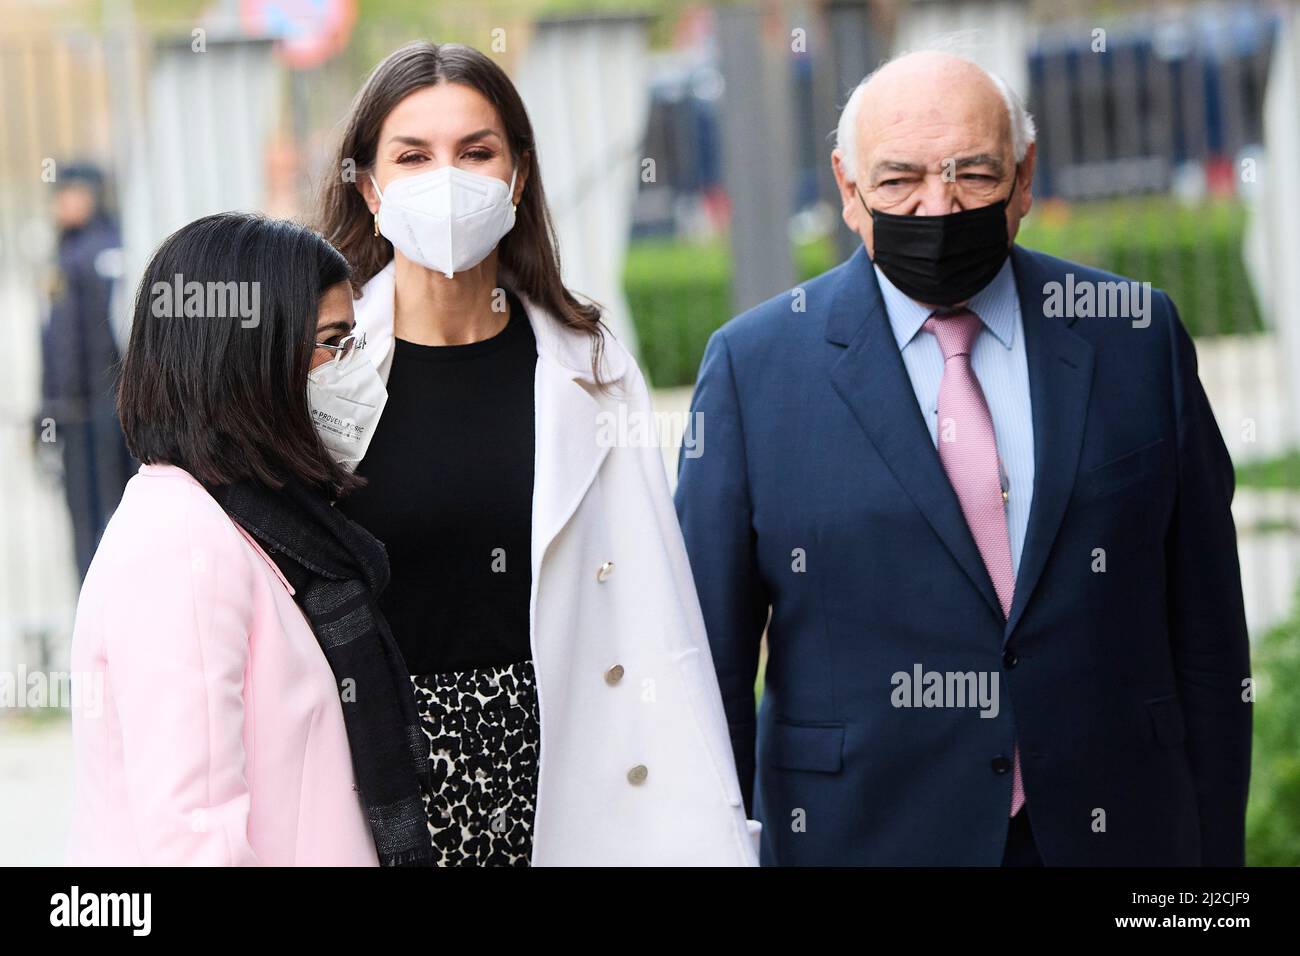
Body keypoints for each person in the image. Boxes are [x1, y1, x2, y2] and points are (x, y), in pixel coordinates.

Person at [675, 50, 1251, 866]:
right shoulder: (752, 370)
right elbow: (711, 669)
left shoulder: (1134, 336)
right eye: (898, 179)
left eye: (972, 175)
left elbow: (1209, 637)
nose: (936, 207)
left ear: (1024, 178)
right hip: (863, 837)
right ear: (846, 189)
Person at [319, 41, 758, 865]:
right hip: (377, 779)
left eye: (474, 152)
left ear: (517, 178)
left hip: (569, 768)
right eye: (413, 156)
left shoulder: (589, 364)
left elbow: (656, 604)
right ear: (369, 188)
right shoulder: (322, 371)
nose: (445, 177)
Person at [67, 213, 431, 866]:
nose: (355, 369)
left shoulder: (266, 526)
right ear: (249, 359)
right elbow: (194, 841)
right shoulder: (181, 543)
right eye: (333, 342)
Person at [38, 162, 134, 581]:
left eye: (70, 191)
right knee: (89, 522)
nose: (61, 202)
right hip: (77, 411)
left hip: (102, 408)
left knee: (107, 520)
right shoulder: (69, 251)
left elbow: (115, 333)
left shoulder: (103, 251)